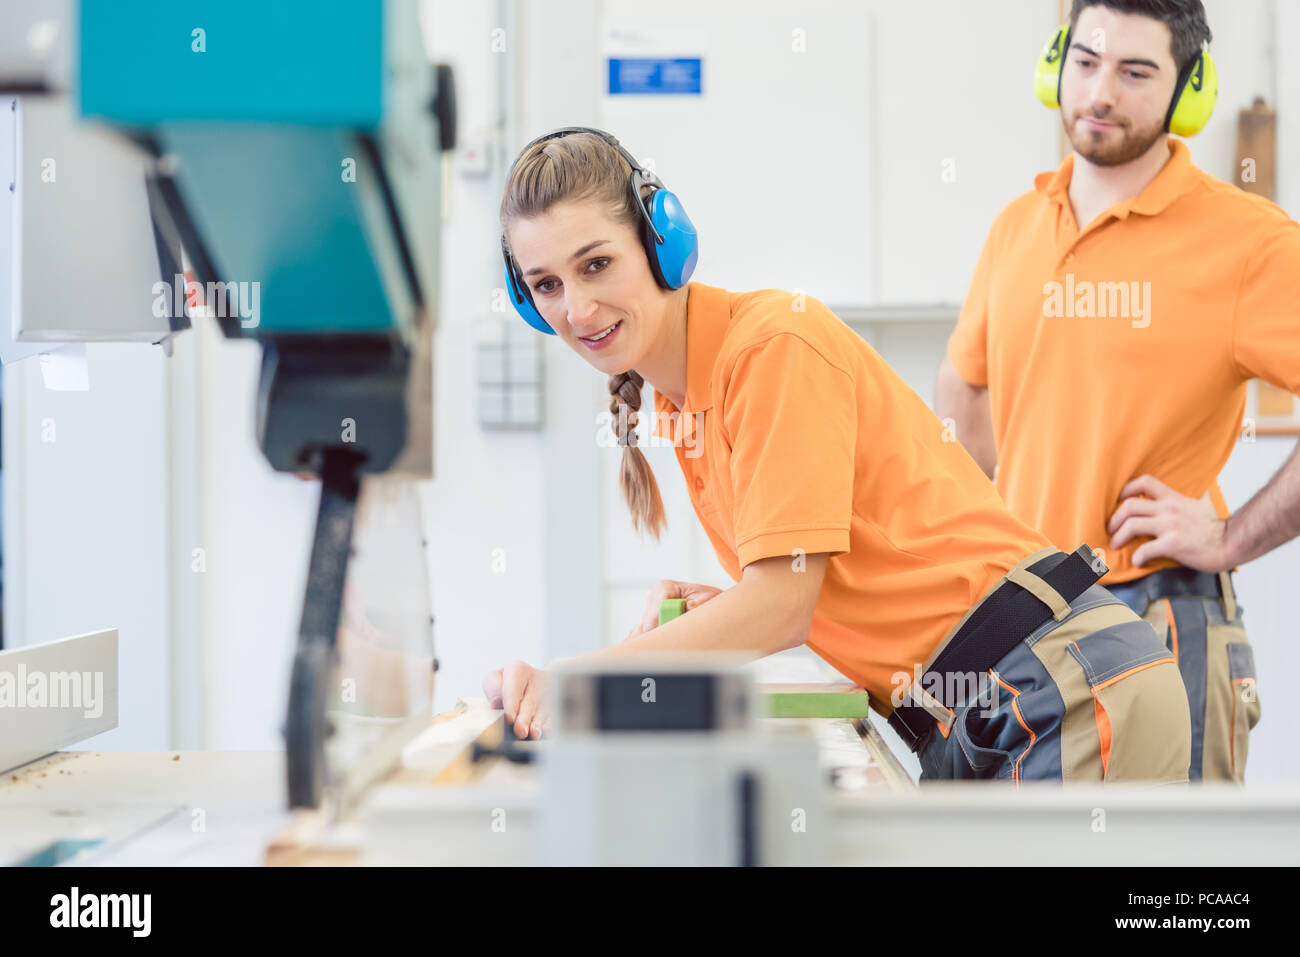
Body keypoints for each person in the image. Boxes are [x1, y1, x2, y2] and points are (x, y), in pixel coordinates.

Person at [487, 127, 1191, 784]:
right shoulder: (683, 403)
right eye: (545, 284)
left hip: (1058, 686)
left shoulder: (770, 346)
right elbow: (801, 587)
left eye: (597, 263)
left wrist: (577, 680)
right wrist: (729, 606)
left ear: (659, 239)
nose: (576, 309)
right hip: (984, 707)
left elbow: (781, 609)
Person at [937, 0, 1295, 782]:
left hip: (1158, 617)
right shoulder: (1017, 227)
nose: (1101, 92)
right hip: (1021, 616)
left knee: (1167, 887)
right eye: (1088, 61)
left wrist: (1232, 540)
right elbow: (964, 393)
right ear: (1056, 63)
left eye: (1137, 73)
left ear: (1187, 92)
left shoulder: (1251, 242)